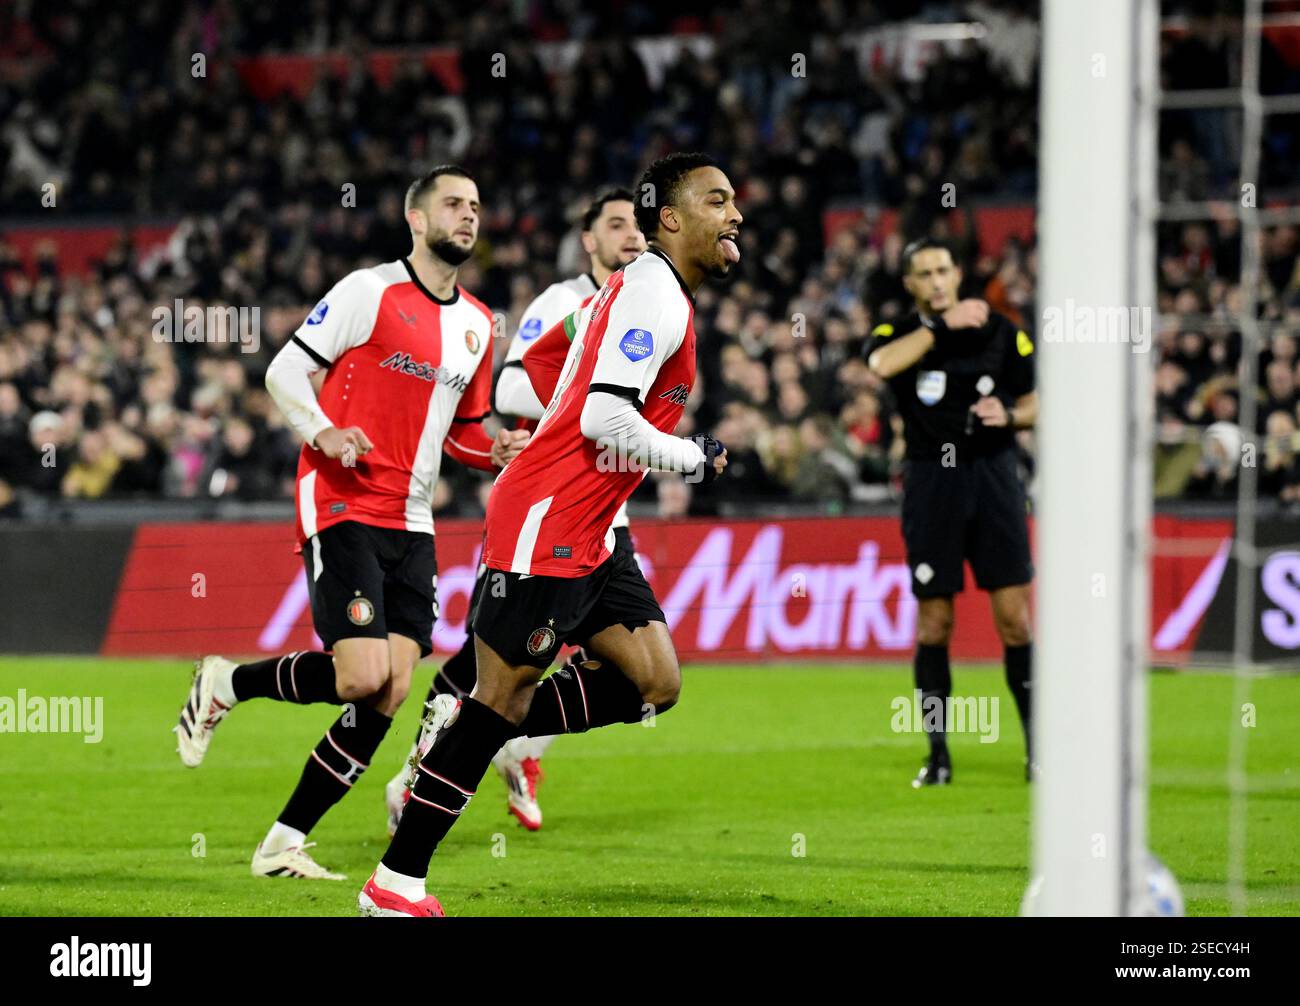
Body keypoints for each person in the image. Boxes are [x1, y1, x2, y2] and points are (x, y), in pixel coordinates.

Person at [358, 151, 739, 917]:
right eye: (717, 200)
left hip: (592, 529)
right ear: (670, 218)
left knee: (653, 681)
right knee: (499, 700)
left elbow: (573, 393)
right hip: (547, 519)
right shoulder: (654, 295)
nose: (735, 215)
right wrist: (692, 457)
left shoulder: (646, 291)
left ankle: (476, 727)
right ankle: (395, 882)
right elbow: (604, 416)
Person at [172, 165, 528, 880]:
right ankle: (225, 683)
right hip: (342, 499)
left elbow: (462, 431)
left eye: (475, 205)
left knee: (390, 688)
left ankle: (282, 842)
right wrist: (325, 431)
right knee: (362, 675)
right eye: (453, 204)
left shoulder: (478, 324)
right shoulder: (369, 291)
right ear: (416, 219)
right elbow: (283, 372)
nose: (468, 215)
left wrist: (493, 450)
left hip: (414, 518)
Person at [384, 187, 646, 834]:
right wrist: (596, 392)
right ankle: (424, 776)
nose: (631, 235)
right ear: (588, 240)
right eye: (615, 224)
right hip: (546, 514)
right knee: (493, 660)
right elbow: (511, 385)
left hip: (607, 515)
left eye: (638, 225)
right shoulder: (564, 302)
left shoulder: (644, 309)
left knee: (629, 670)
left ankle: (516, 745)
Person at [865, 237, 1038, 787]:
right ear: (910, 283)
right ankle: (938, 756)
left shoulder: (1003, 332)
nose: (937, 280)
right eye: (925, 273)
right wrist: (941, 327)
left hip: (993, 479)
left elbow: (1036, 401)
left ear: (958, 274)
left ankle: (1038, 751)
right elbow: (881, 364)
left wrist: (1010, 414)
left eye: (943, 270)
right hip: (931, 484)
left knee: (1014, 620)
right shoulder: (897, 334)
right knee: (935, 622)